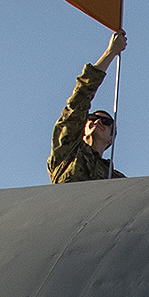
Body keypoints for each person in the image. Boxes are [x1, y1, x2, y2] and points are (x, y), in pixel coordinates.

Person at [49, 28, 128, 184]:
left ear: (111, 139)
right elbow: (80, 98)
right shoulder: (67, 151)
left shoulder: (114, 179)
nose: (98, 122)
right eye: (93, 118)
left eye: (106, 122)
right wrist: (110, 52)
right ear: (83, 126)